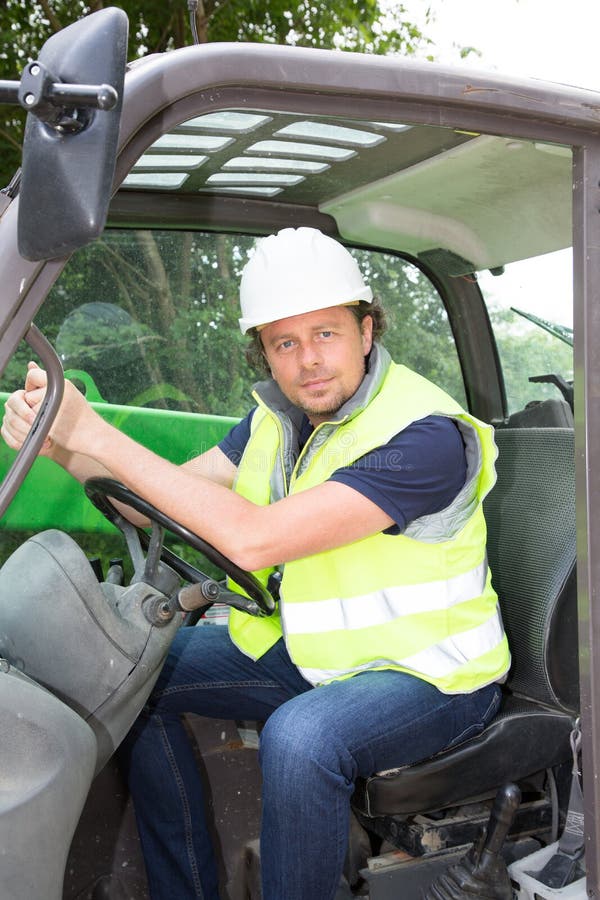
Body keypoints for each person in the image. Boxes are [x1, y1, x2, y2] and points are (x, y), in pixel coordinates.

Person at [2, 227, 510, 900]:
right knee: (137, 673)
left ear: (365, 330)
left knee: (301, 738)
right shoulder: (275, 419)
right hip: (316, 657)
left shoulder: (423, 436)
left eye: (326, 333)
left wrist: (97, 430)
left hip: (432, 678)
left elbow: (256, 540)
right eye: (285, 343)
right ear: (265, 353)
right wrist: (63, 444)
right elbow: (156, 506)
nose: (309, 361)